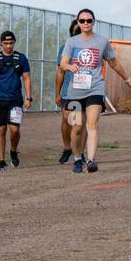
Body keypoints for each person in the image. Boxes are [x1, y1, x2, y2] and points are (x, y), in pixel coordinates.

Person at [60, 8, 131, 174]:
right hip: (74, 91)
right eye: (82, 21)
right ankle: (77, 158)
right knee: (77, 127)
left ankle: (91, 160)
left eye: (89, 20)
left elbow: (114, 63)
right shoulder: (72, 42)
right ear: (78, 23)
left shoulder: (102, 42)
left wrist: (128, 79)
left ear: (94, 22)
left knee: (92, 124)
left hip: (95, 88)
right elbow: (62, 63)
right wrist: (68, 66)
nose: (86, 23)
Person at [0, 30, 32, 171]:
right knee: (1, 129)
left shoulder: (21, 58)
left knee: (14, 130)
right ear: (1, 43)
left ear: (14, 43)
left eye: (11, 43)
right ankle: (1, 160)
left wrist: (28, 97)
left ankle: (14, 151)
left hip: (15, 99)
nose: (8, 46)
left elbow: (27, 78)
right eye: (5, 43)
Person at [56, 18, 79, 164]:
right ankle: (67, 148)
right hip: (66, 90)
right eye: (75, 30)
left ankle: (78, 152)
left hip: (82, 91)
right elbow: (60, 72)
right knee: (66, 119)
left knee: (77, 123)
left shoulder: (90, 48)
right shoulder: (65, 47)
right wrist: (57, 93)